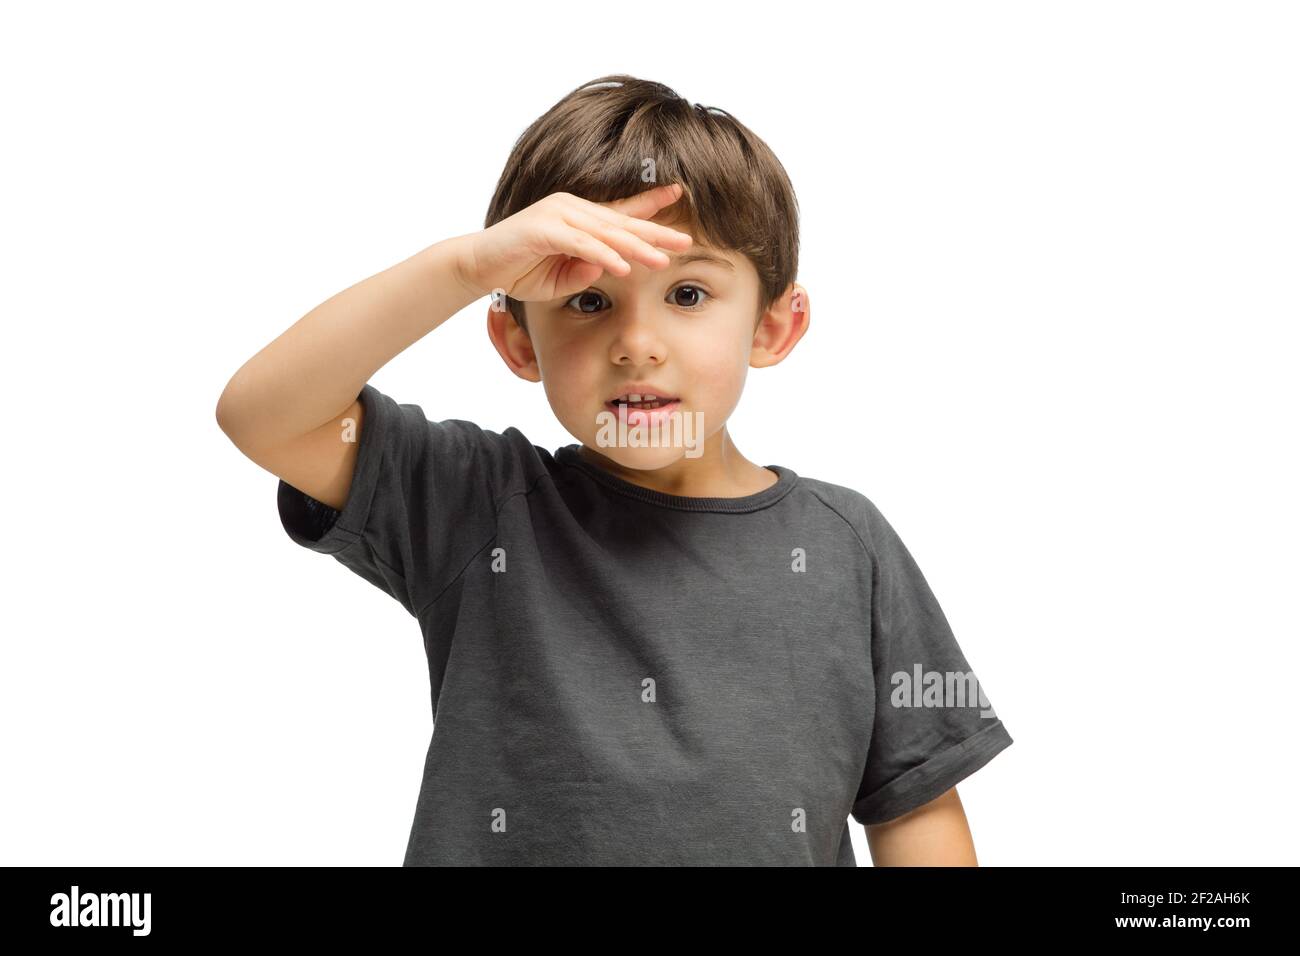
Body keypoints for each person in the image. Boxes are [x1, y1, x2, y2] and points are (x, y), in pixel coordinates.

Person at [216, 74, 1013, 866]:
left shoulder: (850, 545)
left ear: (773, 326)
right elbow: (264, 415)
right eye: (588, 301)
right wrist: (466, 269)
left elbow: (918, 806)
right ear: (519, 342)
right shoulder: (480, 504)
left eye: (690, 293)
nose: (638, 342)